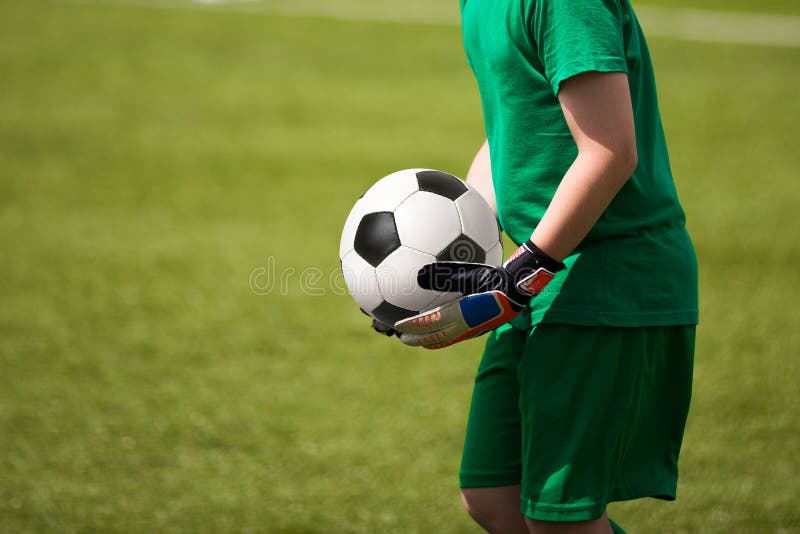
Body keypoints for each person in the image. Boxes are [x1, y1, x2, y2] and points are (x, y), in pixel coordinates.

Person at [374, 0, 698, 532]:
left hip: (604, 280)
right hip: (536, 280)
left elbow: (610, 150)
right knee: (492, 495)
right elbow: (512, 127)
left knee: (559, 519)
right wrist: (448, 256)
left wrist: (525, 272)